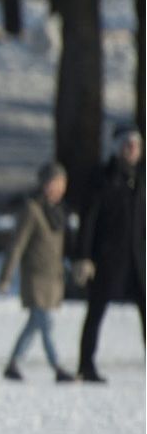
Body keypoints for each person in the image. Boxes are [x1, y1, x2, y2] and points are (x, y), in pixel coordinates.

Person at [72, 125, 146, 383]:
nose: (133, 149)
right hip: (107, 258)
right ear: (117, 148)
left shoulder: (142, 179)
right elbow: (88, 221)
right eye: (128, 144)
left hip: (139, 259)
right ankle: (86, 364)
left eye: (137, 144)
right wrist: (83, 256)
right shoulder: (103, 178)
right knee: (96, 310)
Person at [0, 161, 74, 383]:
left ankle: (14, 363)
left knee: (34, 324)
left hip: (53, 278)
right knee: (46, 323)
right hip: (36, 278)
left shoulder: (58, 213)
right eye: (54, 183)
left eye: (61, 183)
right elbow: (17, 245)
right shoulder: (32, 210)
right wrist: (6, 276)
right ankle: (57, 366)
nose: (58, 188)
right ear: (43, 184)